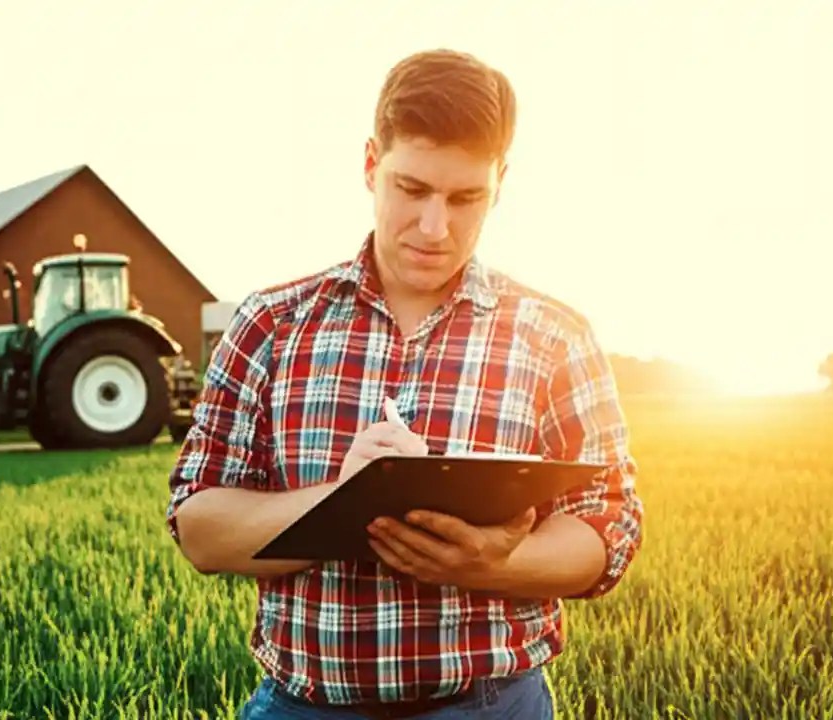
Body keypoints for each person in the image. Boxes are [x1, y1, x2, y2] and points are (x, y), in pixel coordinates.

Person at [165, 48, 644, 719]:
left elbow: (611, 529)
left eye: (465, 198)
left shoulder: (555, 334)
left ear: (500, 183)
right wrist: (344, 499)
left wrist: (488, 564)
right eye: (411, 189)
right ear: (370, 165)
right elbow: (200, 529)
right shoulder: (271, 323)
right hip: (304, 707)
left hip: (492, 706)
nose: (434, 227)